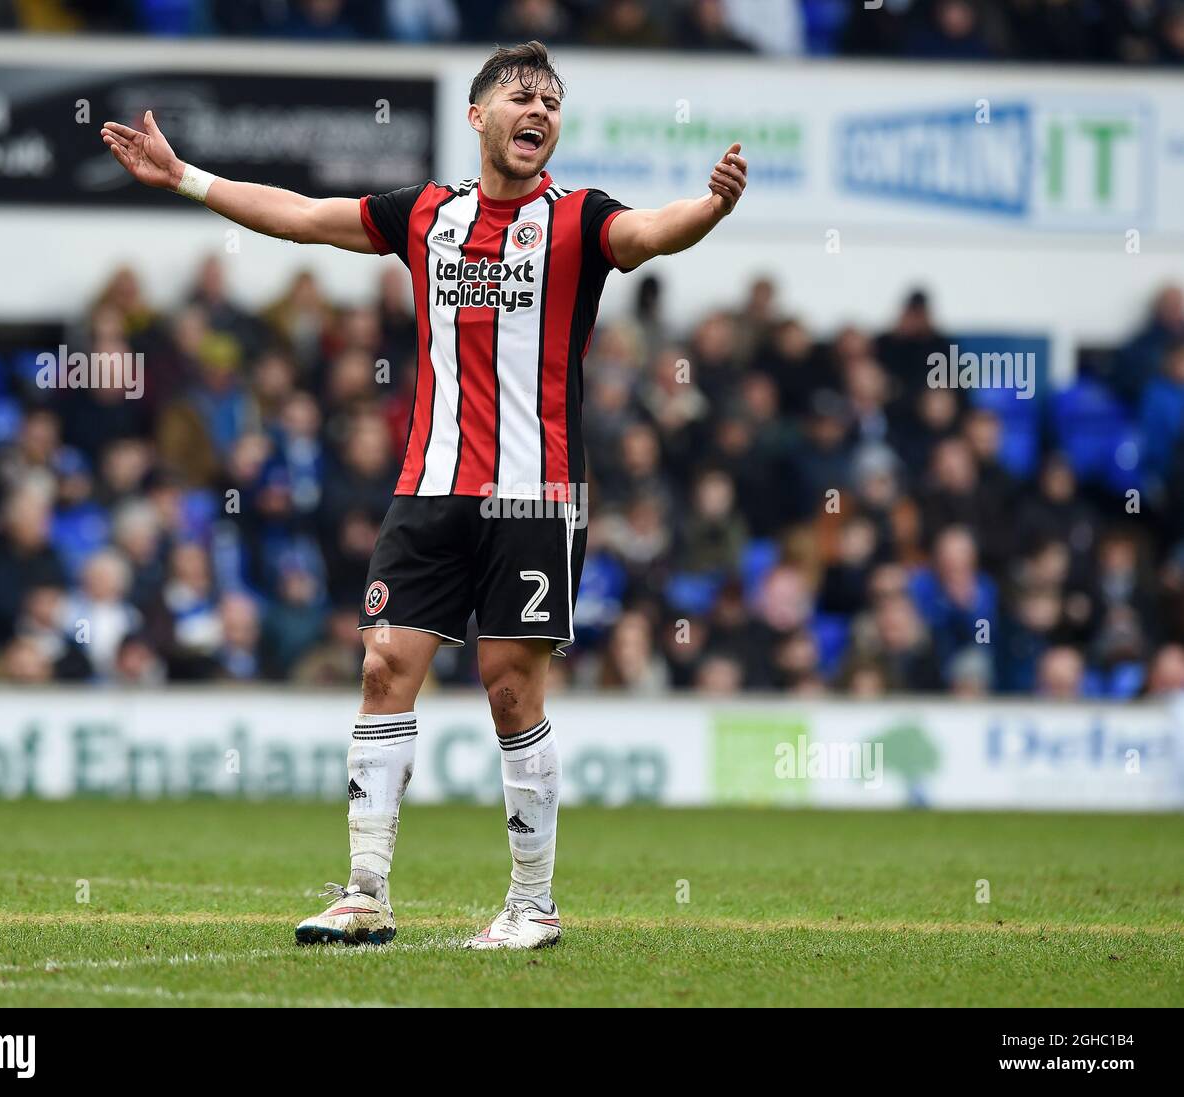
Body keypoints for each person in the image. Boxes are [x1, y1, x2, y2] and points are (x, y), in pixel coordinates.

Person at [101, 40, 747, 950]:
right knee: (380, 667)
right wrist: (187, 180)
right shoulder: (428, 215)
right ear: (478, 115)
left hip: (535, 494)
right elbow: (300, 216)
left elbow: (651, 232)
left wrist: (710, 208)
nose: (542, 112)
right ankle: (365, 893)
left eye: (554, 102)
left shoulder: (580, 220)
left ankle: (532, 906)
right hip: (429, 490)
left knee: (509, 690)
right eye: (523, 96)